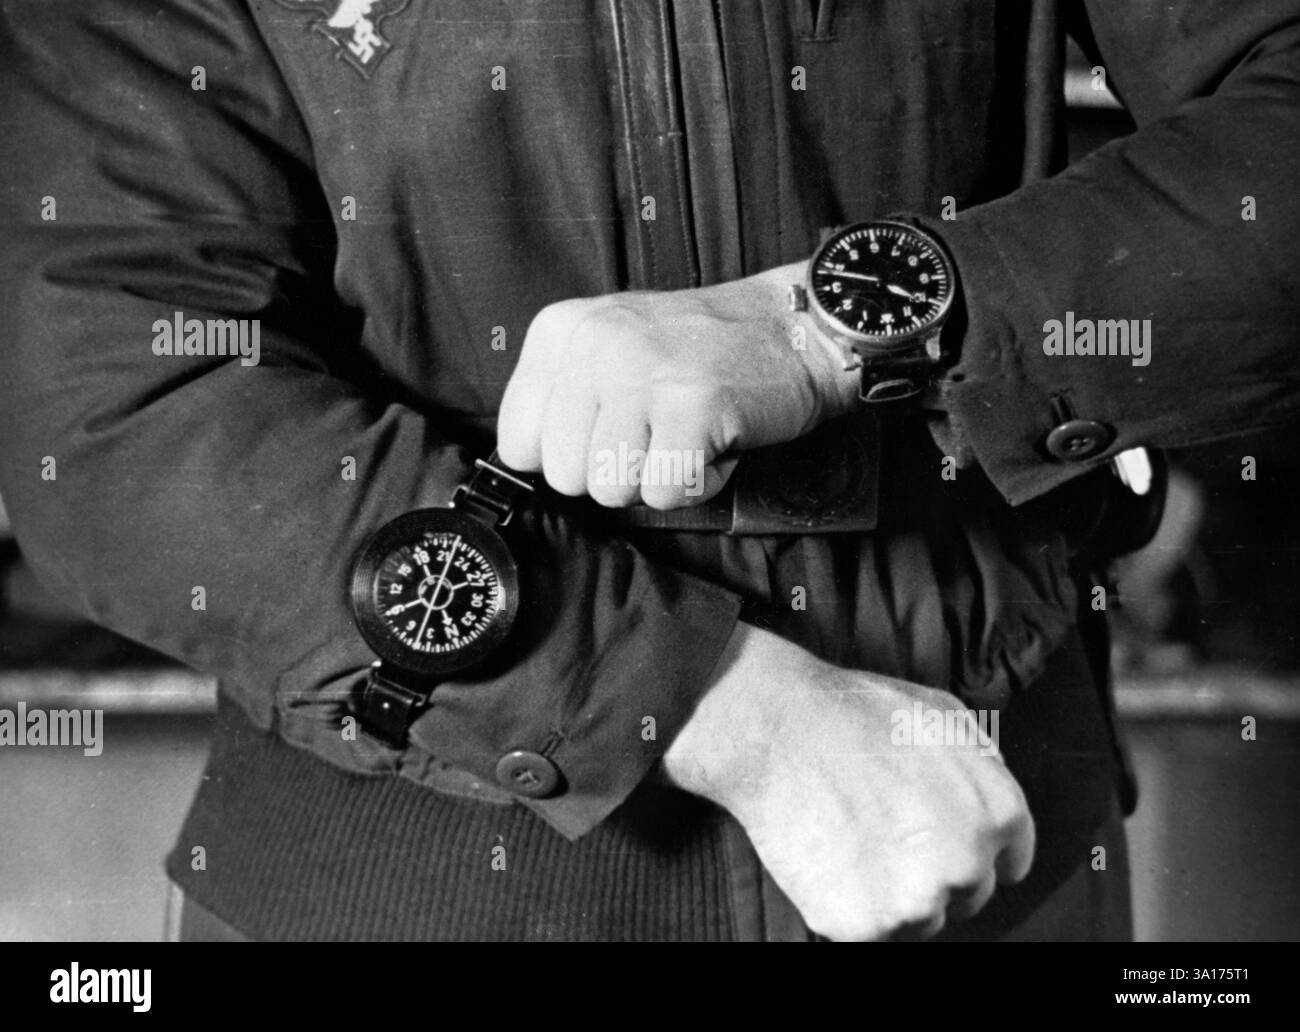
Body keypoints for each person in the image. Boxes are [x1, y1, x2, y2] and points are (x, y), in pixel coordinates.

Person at [0, 0, 1296, 942]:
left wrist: (826, 328)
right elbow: (109, 400)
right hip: (389, 886)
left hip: (984, 842)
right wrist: (710, 700)